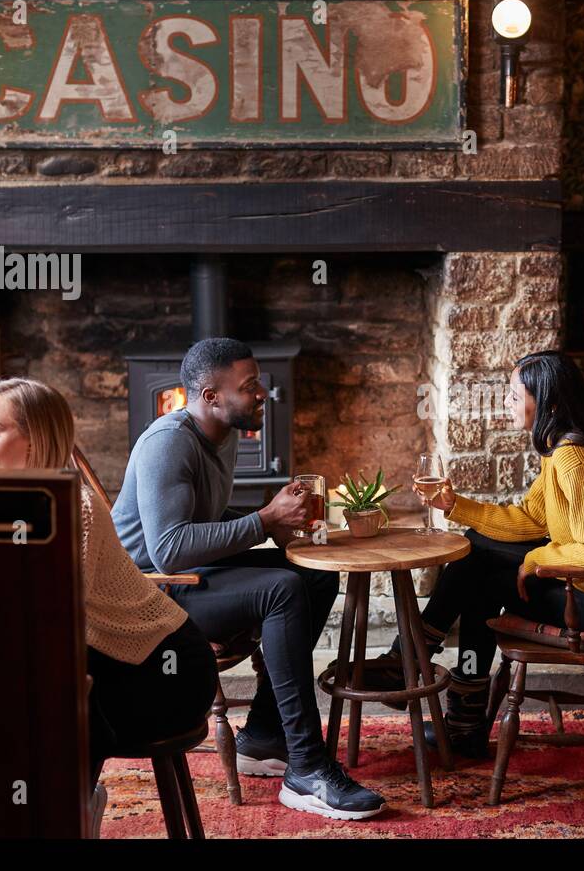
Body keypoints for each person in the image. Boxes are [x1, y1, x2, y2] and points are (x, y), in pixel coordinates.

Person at [111, 338, 383, 820]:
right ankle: (306, 768)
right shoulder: (169, 442)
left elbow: (205, 518)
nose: (263, 394)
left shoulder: (224, 432)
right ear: (210, 395)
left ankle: (261, 735)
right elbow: (169, 548)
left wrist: (273, 524)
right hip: (152, 594)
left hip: (188, 575)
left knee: (314, 576)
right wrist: (261, 519)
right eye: (250, 386)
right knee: (282, 590)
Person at [365, 350, 584, 758]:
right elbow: (529, 518)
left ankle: (423, 675)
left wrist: (534, 561)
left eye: (512, 394)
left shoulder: (572, 459)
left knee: (479, 582)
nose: (505, 402)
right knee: (475, 549)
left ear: (551, 403)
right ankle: (427, 677)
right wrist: (455, 504)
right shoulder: (564, 449)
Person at [0, 377, 218, 838]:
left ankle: (68, 813)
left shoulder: (75, 506)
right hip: (102, 659)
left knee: (56, 702)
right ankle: (56, 809)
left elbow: (53, 617)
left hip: (167, 668)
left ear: (36, 438)